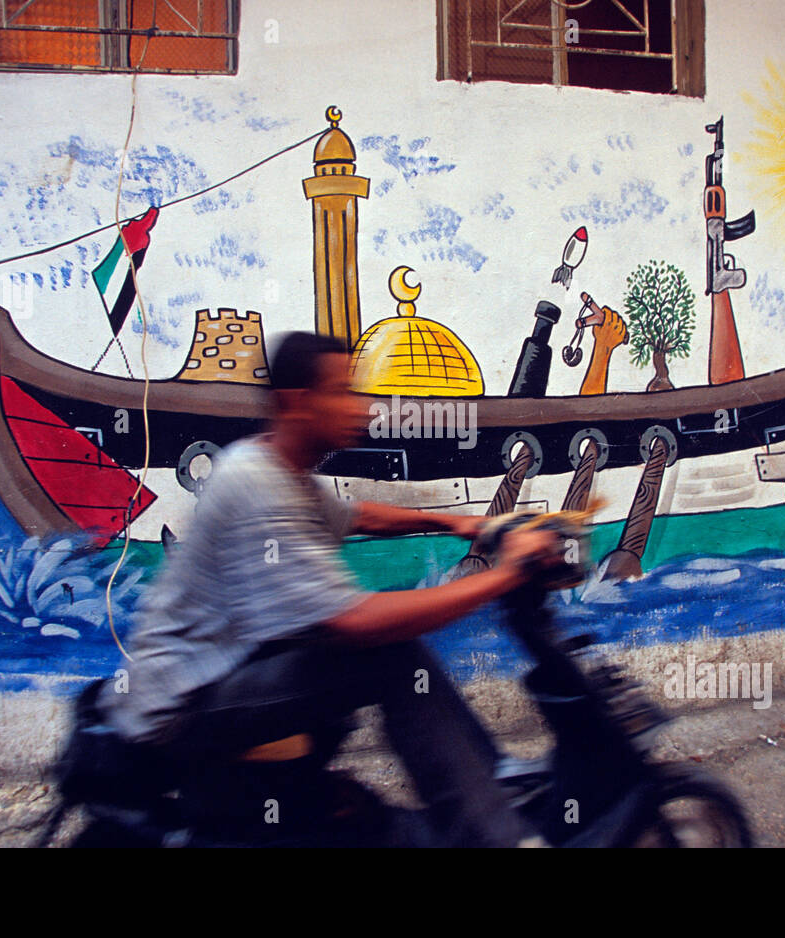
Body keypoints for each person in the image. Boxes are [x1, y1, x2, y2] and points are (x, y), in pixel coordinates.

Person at [99, 331, 560, 847]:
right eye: (342, 392)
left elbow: (359, 516)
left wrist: (458, 524)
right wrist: (506, 576)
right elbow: (352, 621)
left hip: (229, 675)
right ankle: (493, 832)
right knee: (386, 653)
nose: (360, 407)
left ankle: (491, 780)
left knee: (381, 655)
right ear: (298, 402)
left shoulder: (281, 470)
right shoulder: (255, 482)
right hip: (184, 706)